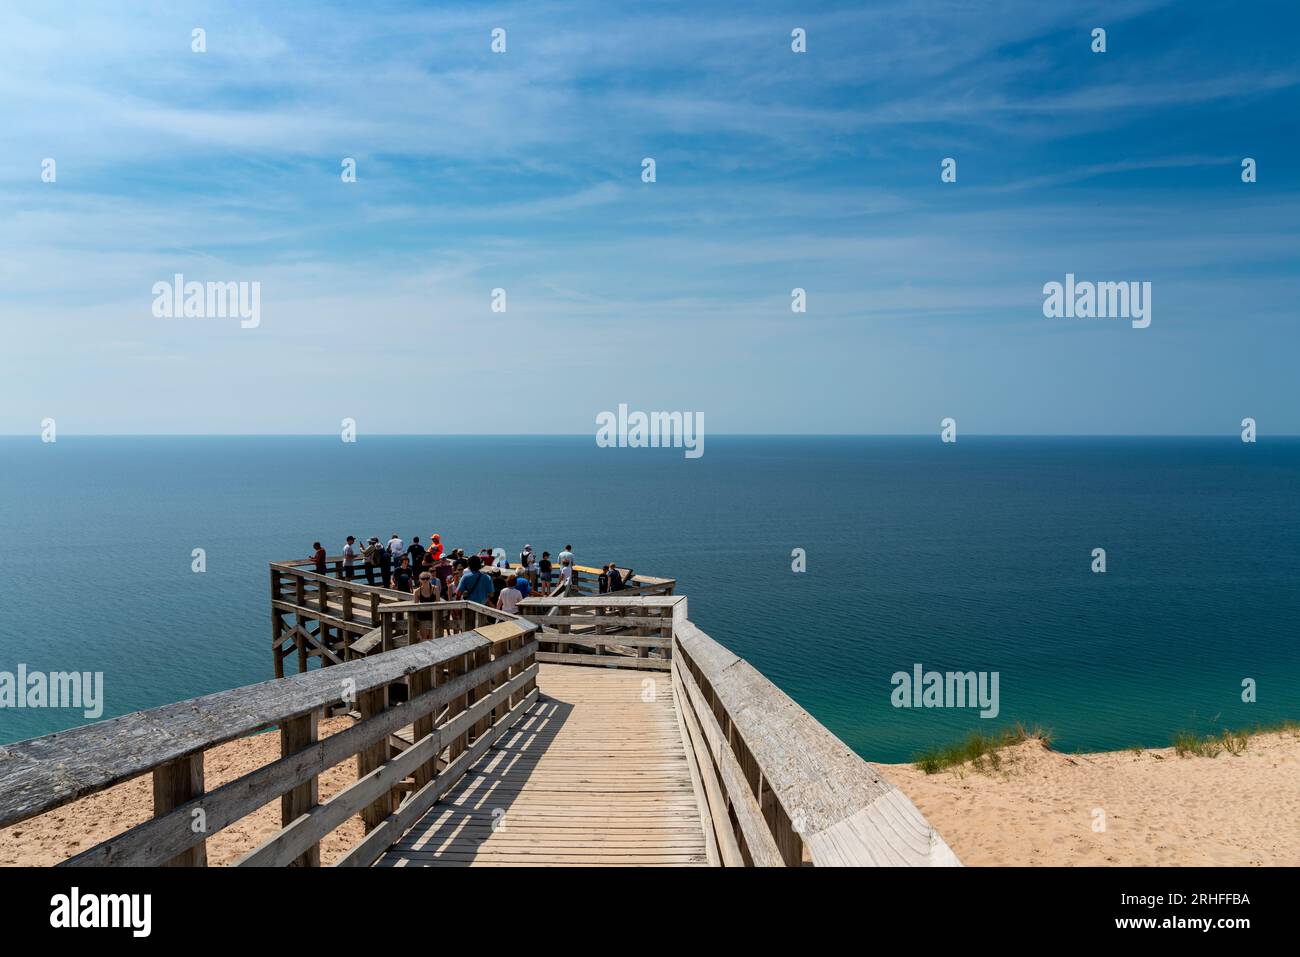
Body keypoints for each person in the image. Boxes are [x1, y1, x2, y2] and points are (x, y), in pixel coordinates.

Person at [413, 572, 440, 641]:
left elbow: (439, 603)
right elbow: (415, 606)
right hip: (422, 616)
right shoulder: (417, 591)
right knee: (424, 638)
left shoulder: (435, 589)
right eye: (423, 578)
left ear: (430, 579)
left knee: (432, 638)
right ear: (420, 580)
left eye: (427, 578)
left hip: (433, 616)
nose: (425, 580)